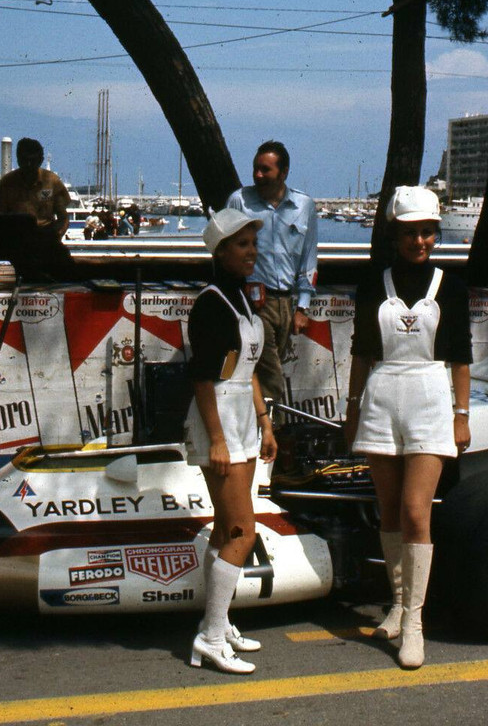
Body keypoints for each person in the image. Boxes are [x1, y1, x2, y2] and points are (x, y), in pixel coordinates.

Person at [343, 185, 471, 670]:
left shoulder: (451, 286)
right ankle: (397, 604)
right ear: (396, 235)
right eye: (411, 233)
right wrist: (353, 408)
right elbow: (361, 351)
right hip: (381, 396)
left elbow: (460, 356)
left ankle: (414, 622)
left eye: (427, 232)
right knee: (389, 510)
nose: (420, 241)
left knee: (418, 511)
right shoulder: (374, 284)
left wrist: (462, 415)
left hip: (430, 398)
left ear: (435, 234)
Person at [184, 208, 278, 675]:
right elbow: (203, 378)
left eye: (253, 244)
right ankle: (211, 636)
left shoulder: (242, 299)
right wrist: (218, 441)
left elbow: (250, 369)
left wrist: (265, 422)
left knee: (224, 531)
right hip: (217, 416)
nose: (251, 252)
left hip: (242, 413)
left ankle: (218, 621)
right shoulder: (210, 302)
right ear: (220, 251)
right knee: (244, 532)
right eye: (241, 245)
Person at [226, 140, 318, 405]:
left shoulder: (304, 206)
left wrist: (302, 307)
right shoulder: (239, 201)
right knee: (270, 374)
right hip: (253, 302)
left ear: (284, 172)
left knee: (266, 369)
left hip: (286, 304)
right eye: (256, 169)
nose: (258, 175)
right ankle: (271, 433)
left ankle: (262, 433)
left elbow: (309, 259)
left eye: (265, 170)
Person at [0, 138, 70, 239]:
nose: (28, 165)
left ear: (40, 160)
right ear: (18, 159)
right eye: (24, 160)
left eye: (32, 161)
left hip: (45, 237)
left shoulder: (52, 181)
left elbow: (63, 218)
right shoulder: (7, 183)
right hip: (16, 239)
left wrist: (55, 237)